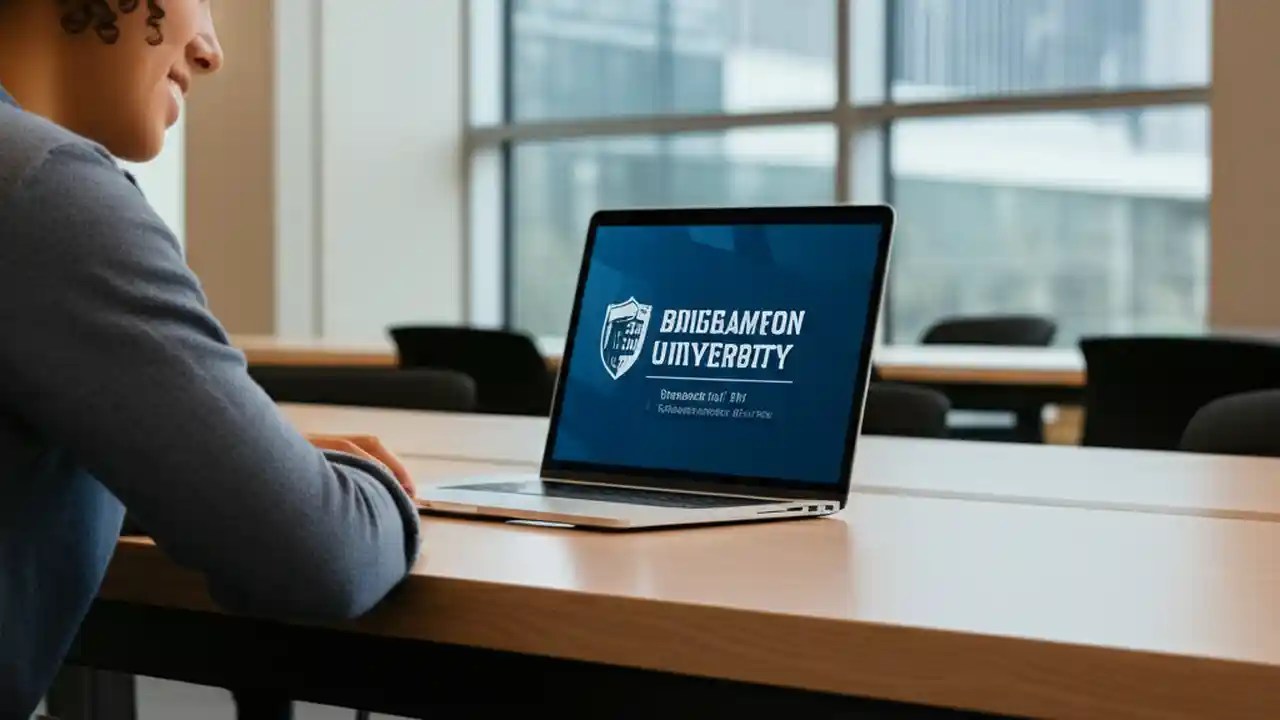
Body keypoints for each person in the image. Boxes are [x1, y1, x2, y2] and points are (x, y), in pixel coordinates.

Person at [0, 2, 421, 715]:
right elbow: (319, 554)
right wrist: (368, 484)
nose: (211, 50)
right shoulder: (43, 188)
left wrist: (213, 460)